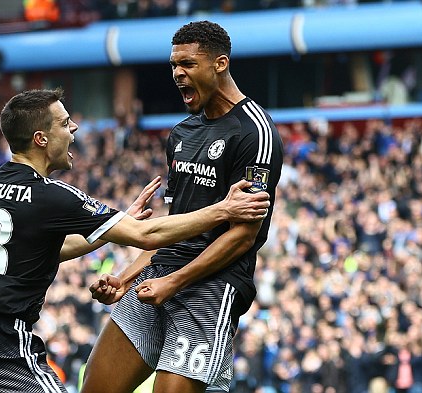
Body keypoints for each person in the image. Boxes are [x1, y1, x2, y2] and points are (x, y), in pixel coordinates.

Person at [0, 88, 270, 393]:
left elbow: (49, 249)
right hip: (0, 342)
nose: (74, 129)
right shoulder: (51, 194)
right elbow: (147, 236)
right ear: (41, 139)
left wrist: (110, 226)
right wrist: (224, 209)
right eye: (64, 123)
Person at [82, 20, 284, 393]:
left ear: (219, 64)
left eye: (188, 64)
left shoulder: (256, 132)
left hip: (212, 286)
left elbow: (243, 238)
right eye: (174, 65)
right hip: (157, 277)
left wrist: (174, 283)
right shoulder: (181, 134)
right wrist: (125, 279)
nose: (177, 73)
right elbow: (174, 226)